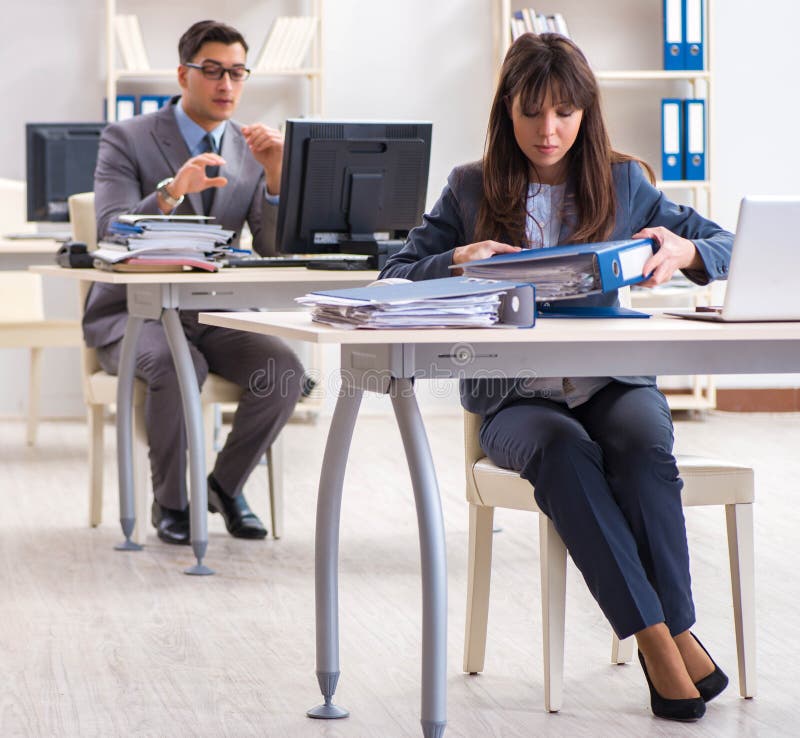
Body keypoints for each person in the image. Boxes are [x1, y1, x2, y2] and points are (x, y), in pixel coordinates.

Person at [381, 33, 733, 722]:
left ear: (586, 114)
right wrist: (457, 259)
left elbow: (721, 244)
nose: (549, 131)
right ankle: (662, 641)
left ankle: (672, 626)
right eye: (532, 112)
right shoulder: (469, 187)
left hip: (612, 383)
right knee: (565, 452)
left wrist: (684, 249)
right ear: (506, 112)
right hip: (515, 400)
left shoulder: (625, 182)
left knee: (641, 444)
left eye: (565, 113)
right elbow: (393, 278)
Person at [82, 20, 304, 545]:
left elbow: (272, 251)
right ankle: (172, 503)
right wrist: (169, 192)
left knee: (286, 371)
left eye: (236, 72)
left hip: (209, 312)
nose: (226, 84)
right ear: (183, 75)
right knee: (177, 363)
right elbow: (110, 229)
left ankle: (223, 487)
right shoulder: (127, 137)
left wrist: (275, 179)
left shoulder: (251, 147)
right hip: (132, 314)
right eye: (212, 71)